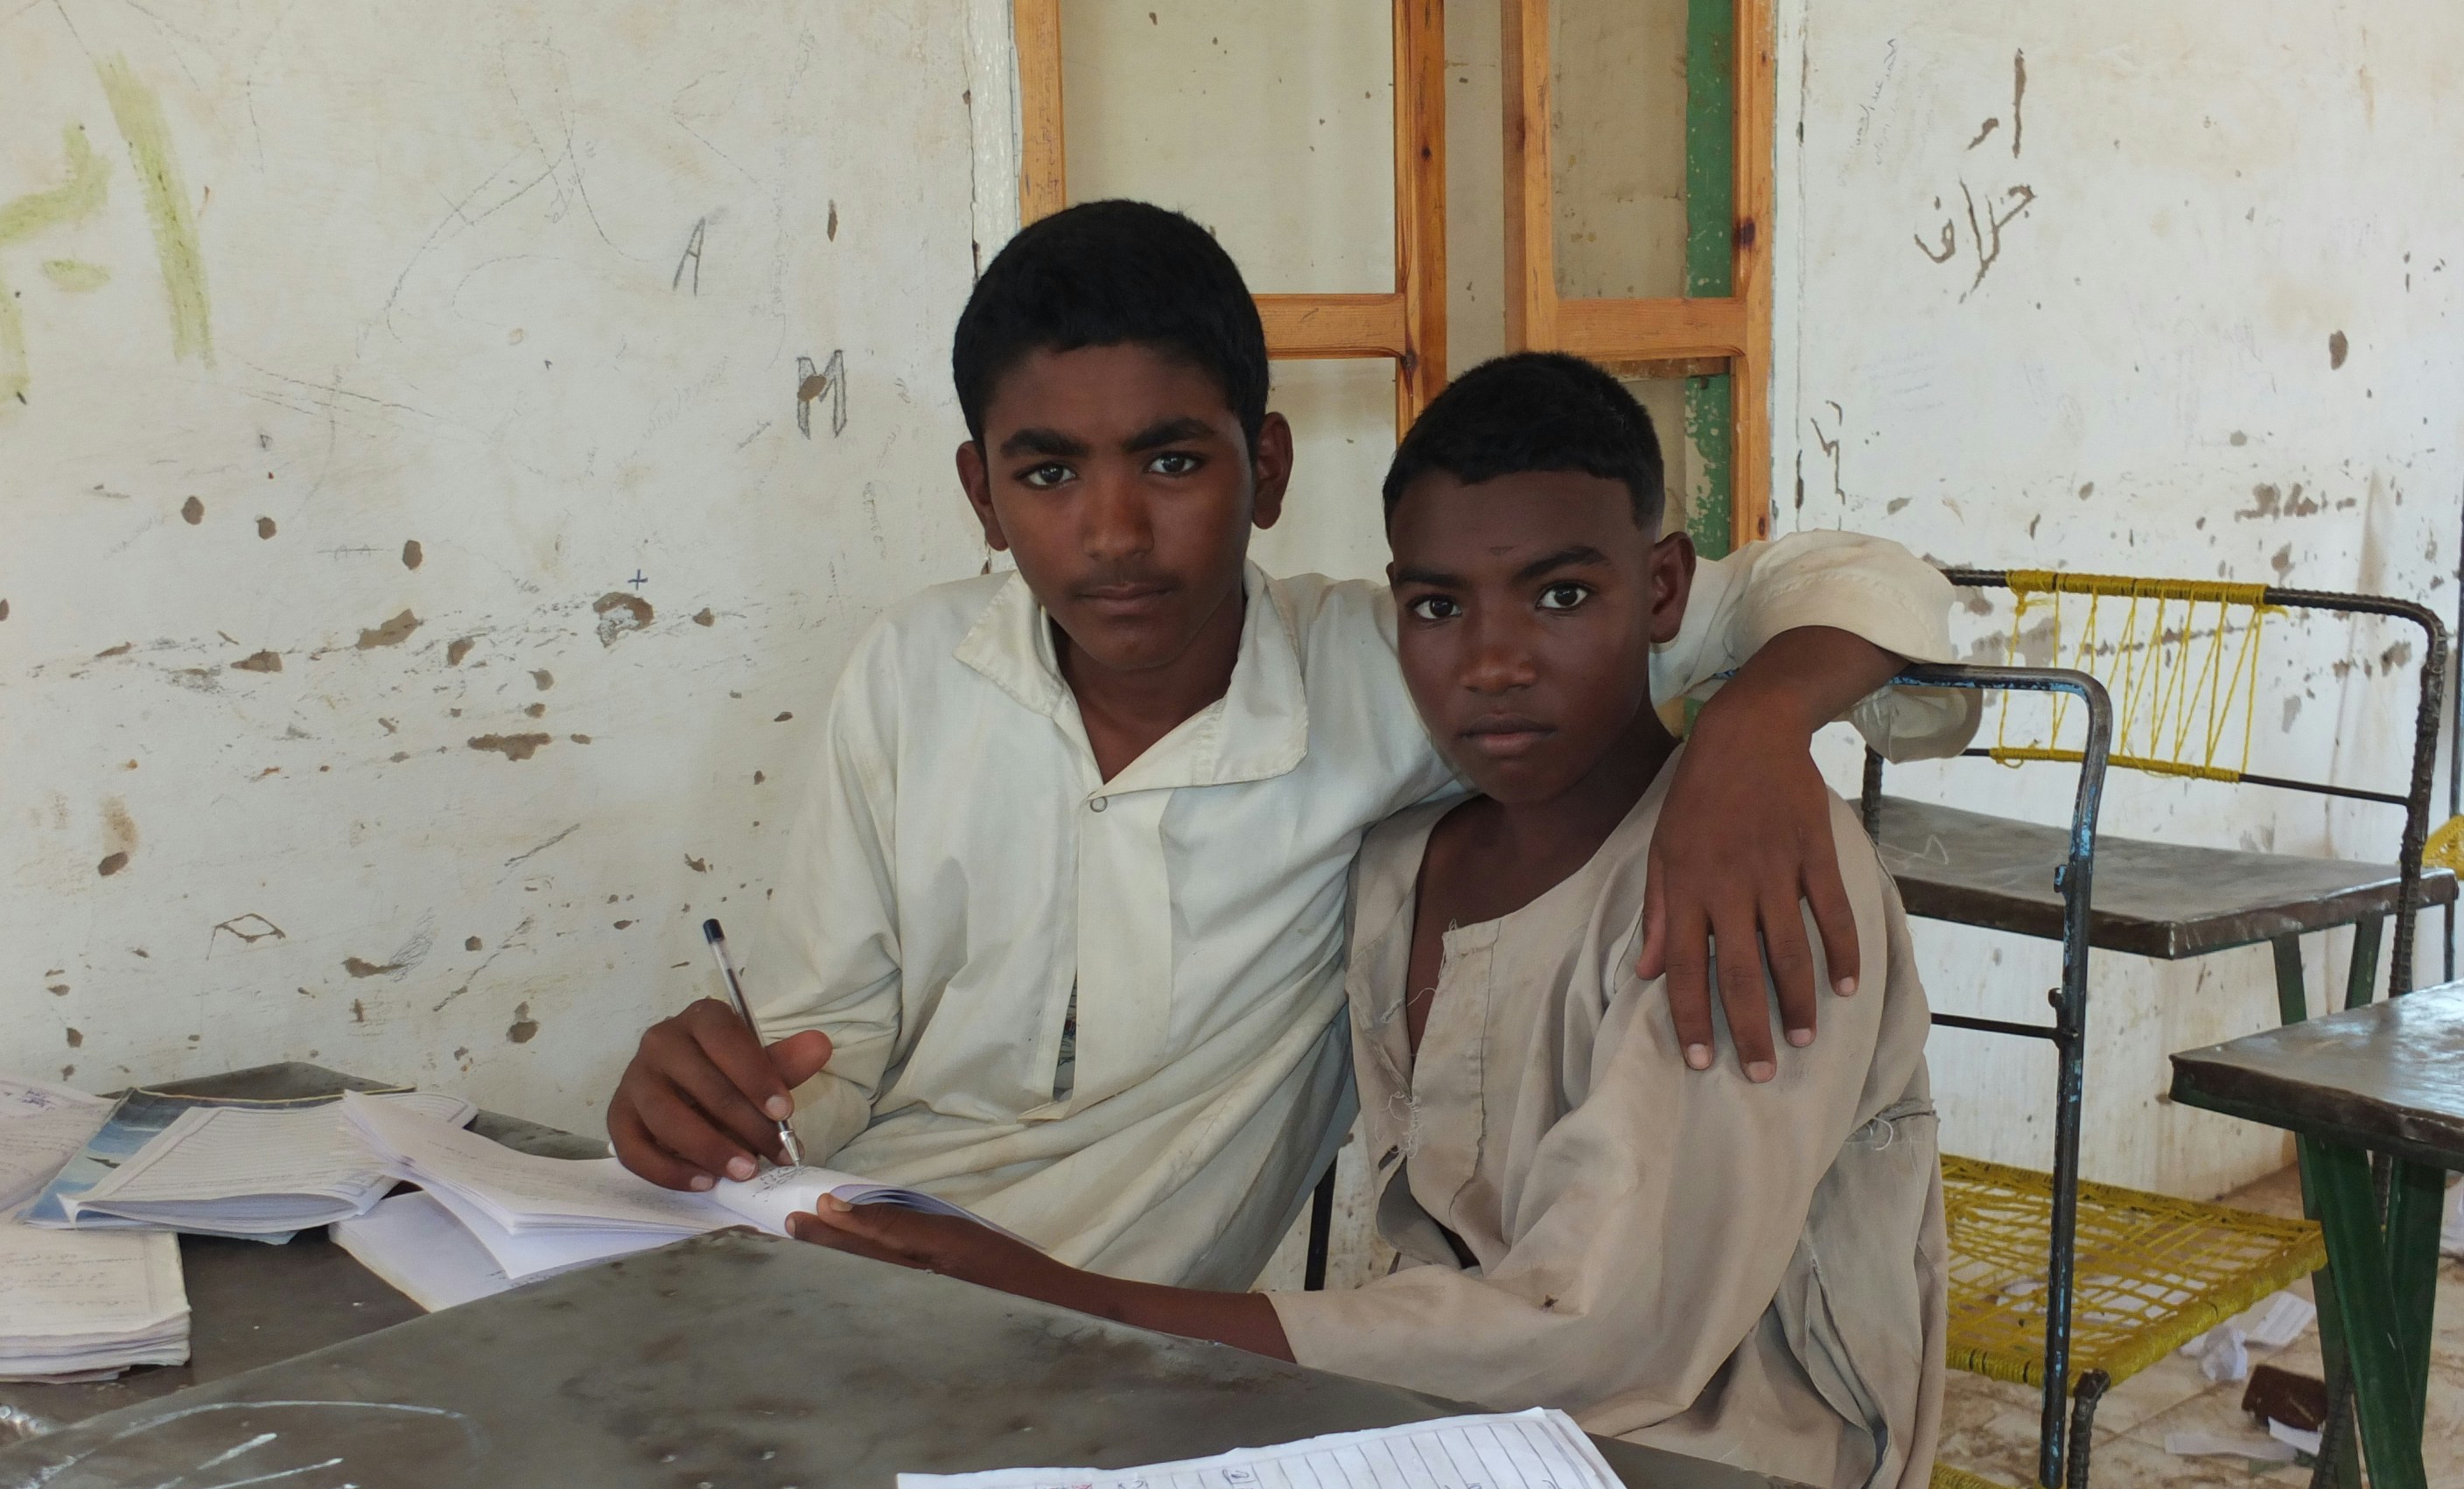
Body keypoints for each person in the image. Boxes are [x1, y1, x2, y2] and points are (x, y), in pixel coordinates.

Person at [790, 352, 1947, 1489]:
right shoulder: (1404, 863)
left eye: (1564, 597)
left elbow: (1609, 1322)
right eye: (1438, 608)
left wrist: (1076, 1300)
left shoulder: (1753, 874)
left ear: (1665, 594)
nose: (1495, 663)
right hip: (1448, 1428)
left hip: (1728, 1454)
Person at [609, 200, 1970, 1288]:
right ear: (981, 493)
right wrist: (728, 1099)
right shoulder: (912, 674)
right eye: (1046, 474)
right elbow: (824, 1046)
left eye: (1173, 462)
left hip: (1117, 1333)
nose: (1114, 532)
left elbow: (1878, 589)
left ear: (1267, 468)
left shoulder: (1417, 666)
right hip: (843, 1259)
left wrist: (1754, 722)